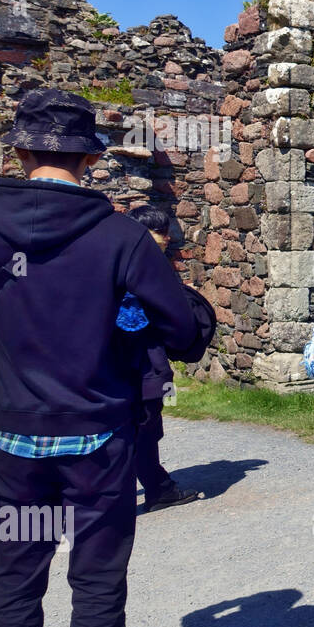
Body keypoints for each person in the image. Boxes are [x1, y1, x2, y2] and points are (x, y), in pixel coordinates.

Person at [0, 89, 198, 627]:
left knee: (15, 587)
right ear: (90, 159)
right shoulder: (120, 237)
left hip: (16, 434)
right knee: (96, 585)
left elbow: (3, 288)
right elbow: (183, 331)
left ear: (17, 148)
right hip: (99, 432)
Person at [121, 205, 203, 513]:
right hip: (139, 362)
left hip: (136, 363)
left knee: (144, 427)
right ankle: (153, 490)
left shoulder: (129, 262)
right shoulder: (143, 268)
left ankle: (153, 489)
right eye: (159, 231)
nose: (167, 237)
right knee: (141, 428)